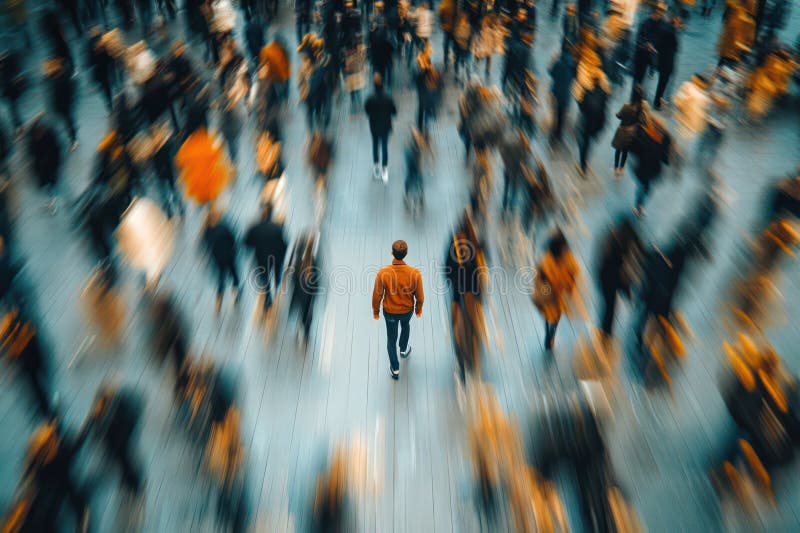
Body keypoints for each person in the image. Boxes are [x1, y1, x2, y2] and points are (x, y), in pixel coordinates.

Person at [372, 240, 424, 380]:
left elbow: (377, 295)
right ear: (406, 254)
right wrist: (418, 309)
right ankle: (403, 349)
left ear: (392, 253)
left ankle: (395, 368)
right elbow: (420, 296)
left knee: (391, 339)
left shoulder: (383, 273)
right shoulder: (414, 273)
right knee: (406, 325)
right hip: (407, 311)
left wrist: (376, 311)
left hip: (390, 312)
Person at [596, 218, 643, 339]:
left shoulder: (613, 238)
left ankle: (606, 332)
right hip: (610, 279)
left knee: (609, 307)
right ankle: (606, 333)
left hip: (609, 278)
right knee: (610, 307)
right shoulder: (619, 244)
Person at [533, 230, 580, 351]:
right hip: (552, 295)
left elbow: (573, 273)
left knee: (553, 316)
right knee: (553, 316)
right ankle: (550, 334)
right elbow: (573, 273)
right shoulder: (551, 260)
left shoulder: (550, 259)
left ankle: (550, 334)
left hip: (555, 296)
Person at [244, 204, 288, 316]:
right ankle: (277, 286)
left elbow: (247, 243)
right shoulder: (277, 228)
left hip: (261, 258)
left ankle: (268, 299)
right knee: (276, 275)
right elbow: (284, 245)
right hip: (276, 258)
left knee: (265, 279)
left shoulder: (254, 227)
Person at [630, 114, 671, 216]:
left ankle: (639, 204)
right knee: (646, 187)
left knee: (643, 186)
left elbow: (633, 149)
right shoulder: (664, 139)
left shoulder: (644, 136)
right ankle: (639, 205)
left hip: (643, 168)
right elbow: (665, 159)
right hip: (653, 169)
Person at [201, 207, 240, 313]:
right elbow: (233, 240)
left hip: (217, 259)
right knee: (234, 276)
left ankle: (219, 301)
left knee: (221, 279)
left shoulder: (206, 231)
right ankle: (235, 294)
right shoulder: (224, 227)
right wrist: (234, 251)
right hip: (229, 257)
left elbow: (204, 245)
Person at [364, 73, 397, 184]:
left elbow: (367, 112)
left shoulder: (370, 99)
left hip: (374, 127)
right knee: (384, 147)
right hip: (386, 127)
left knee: (375, 145)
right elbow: (394, 112)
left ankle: (376, 167)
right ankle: (384, 170)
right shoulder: (388, 98)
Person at [576, 73, 609, 174]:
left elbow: (581, 107)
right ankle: (585, 161)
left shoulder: (587, 92)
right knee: (589, 142)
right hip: (599, 123)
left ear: (592, 82)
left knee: (584, 143)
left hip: (588, 122)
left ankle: (583, 166)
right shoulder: (604, 94)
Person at [611, 85, 646, 176]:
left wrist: (616, 114)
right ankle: (622, 168)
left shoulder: (627, 106)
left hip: (622, 131)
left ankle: (615, 169)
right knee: (625, 151)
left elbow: (619, 116)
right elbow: (642, 121)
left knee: (618, 150)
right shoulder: (641, 109)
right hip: (632, 133)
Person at [548, 50, 577, 142]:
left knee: (555, 112)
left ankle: (553, 131)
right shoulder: (572, 66)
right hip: (566, 95)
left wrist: (553, 61)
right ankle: (559, 134)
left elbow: (551, 73)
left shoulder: (558, 63)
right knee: (561, 115)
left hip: (556, 92)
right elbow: (575, 77)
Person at [653, 16, 680, 109]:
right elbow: (676, 48)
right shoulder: (673, 33)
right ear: (674, 24)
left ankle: (658, 100)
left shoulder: (663, 31)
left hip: (661, 61)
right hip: (668, 63)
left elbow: (657, 45)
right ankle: (658, 102)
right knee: (663, 84)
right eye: (677, 23)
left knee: (661, 83)